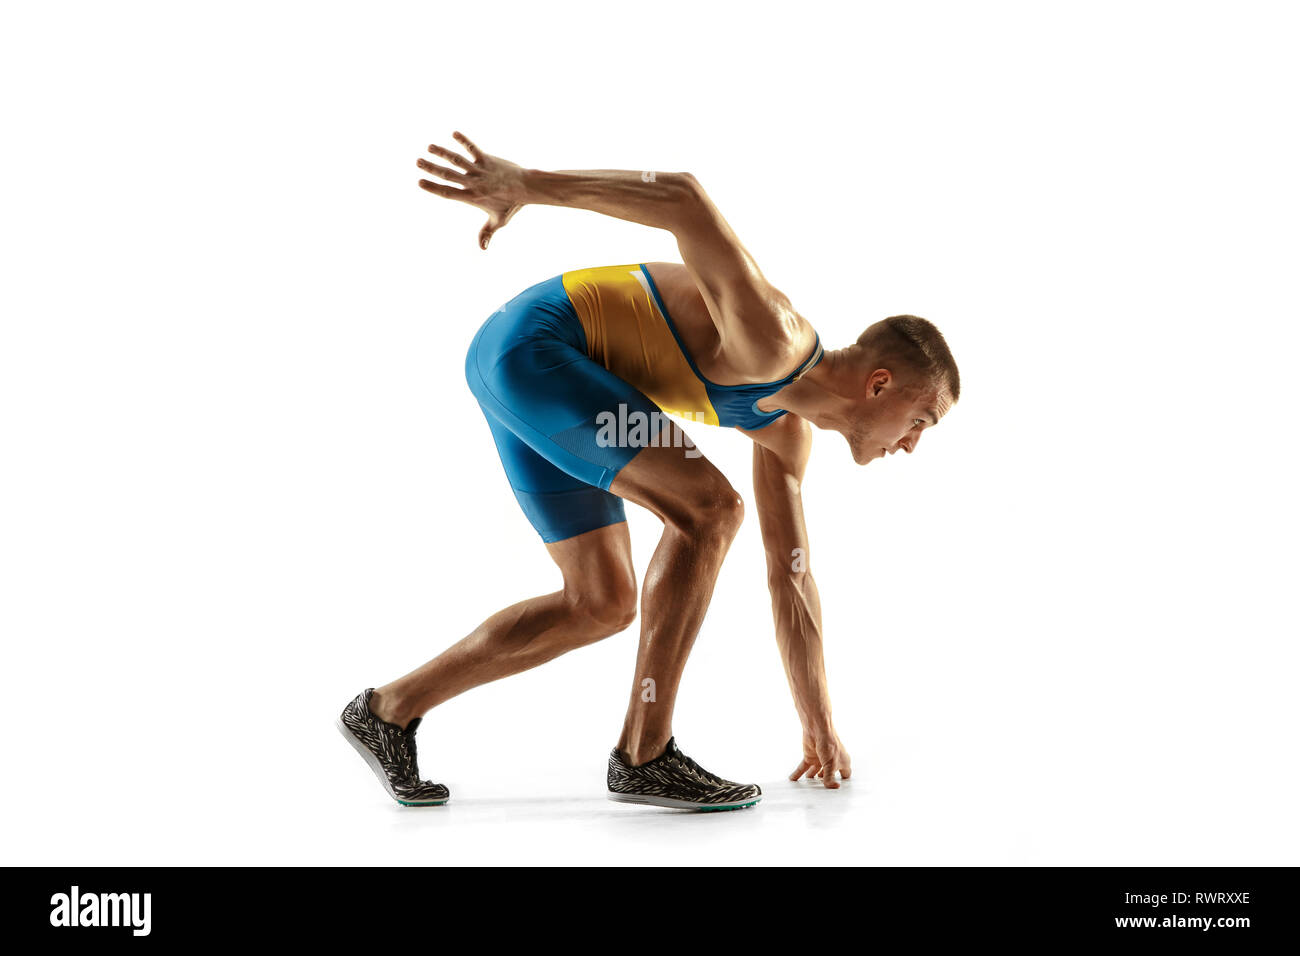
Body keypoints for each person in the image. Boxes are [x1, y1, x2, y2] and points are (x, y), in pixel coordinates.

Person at [337, 132, 959, 811]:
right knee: (711, 510)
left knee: (599, 602)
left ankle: (388, 710)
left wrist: (818, 726)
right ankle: (645, 754)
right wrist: (530, 183)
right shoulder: (775, 338)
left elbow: (792, 580)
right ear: (879, 384)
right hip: (537, 350)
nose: (912, 445)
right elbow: (685, 198)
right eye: (922, 420)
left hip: (549, 383)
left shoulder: (784, 434)